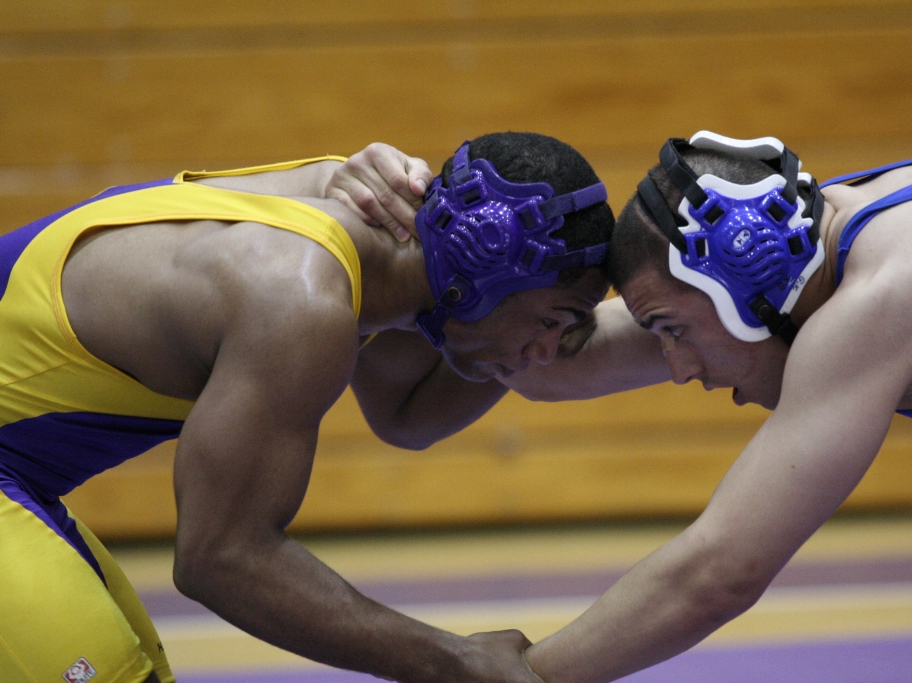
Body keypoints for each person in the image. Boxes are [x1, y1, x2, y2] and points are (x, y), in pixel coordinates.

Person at [361, 133, 912, 683]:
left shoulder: (888, 296)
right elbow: (544, 365)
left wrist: (519, 677)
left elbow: (718, 573)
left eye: (673, 331)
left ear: (748, 291)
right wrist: (406, 238)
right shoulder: (797, 251)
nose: (678, 369)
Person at [0, 132, 614, 683]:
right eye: (552, 322)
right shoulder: (298, 300)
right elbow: (221, 557)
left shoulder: (362, 222)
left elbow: (407, 416)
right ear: (484, 270)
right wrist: (453, 663)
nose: (547, 352)